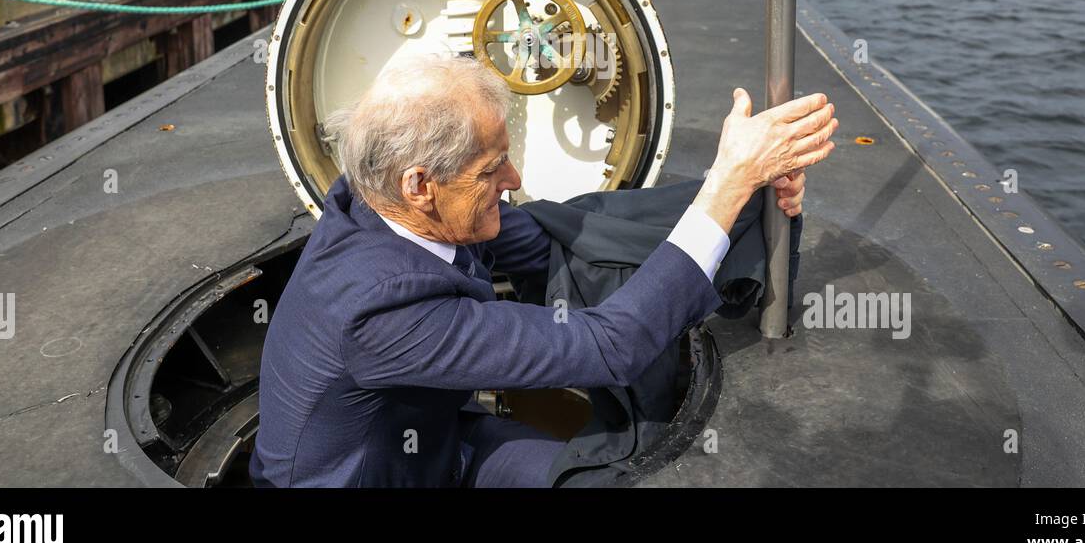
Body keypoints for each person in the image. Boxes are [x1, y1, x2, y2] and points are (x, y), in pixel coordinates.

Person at [250, 54, 837, 487]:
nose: (512, 182)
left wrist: (745, 195)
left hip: (435, 445)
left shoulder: (373, 197)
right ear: (421, 185)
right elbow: (612, 346)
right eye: (491, 169)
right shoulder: (380, 311)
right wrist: (726, 184)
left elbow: (564, 237)